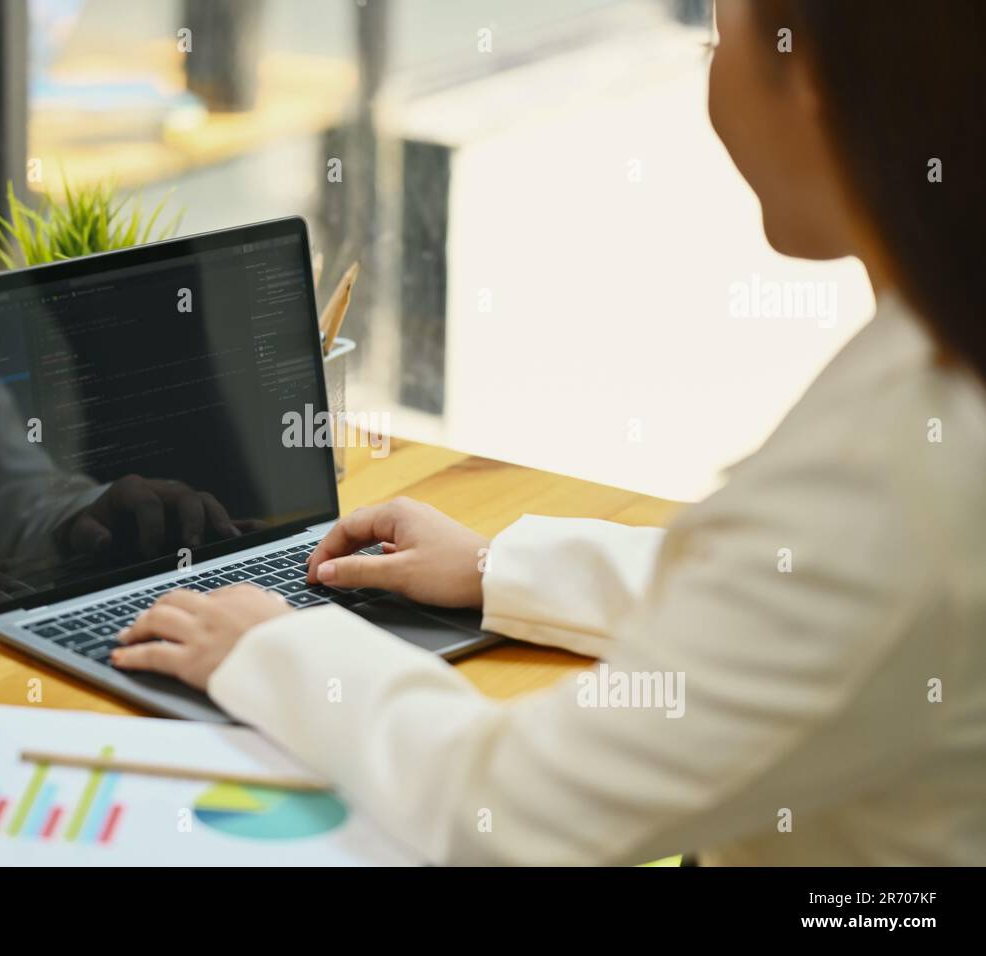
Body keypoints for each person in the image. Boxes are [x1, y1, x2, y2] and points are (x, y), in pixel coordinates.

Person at [110, 0, 986, 865]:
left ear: (815, 84)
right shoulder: (932, 393)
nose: (708, 79)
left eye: (721, 38)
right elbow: (798, 606)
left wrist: (277, 648)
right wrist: (503, 569)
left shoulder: (886, 473)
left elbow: (500, 813)